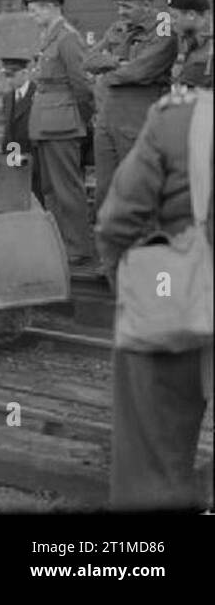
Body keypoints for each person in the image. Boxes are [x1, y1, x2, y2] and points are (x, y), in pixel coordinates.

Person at [96, 88, 212, 510]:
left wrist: (128, 284)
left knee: (151, 455)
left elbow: (117, 221)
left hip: (178, 301)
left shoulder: (179, 119)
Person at [84, 0, 177, 215]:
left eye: (127, 7)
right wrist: (117, 62)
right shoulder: (117, 28)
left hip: (139, 114)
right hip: (109, 116)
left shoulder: (163, 26)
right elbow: (88, 60)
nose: (120, 13)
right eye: (119, 7)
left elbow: (142, 70)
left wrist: (107, 75)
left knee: (137, 186)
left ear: (147, 4)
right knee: (105, 189)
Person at [25, 0, 94, 266]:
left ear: (51, 7)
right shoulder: (49, 38)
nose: (32, 16)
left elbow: (82, 85)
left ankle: (78, 247)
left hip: (62, 123)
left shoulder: (67, 38)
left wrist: (82, 118)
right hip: (46, 123)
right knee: (52, 189)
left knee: (67, 188)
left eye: (35, 10)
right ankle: (62, 245)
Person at [0, 55, 42, 205]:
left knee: (38, 197)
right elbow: (9, 131)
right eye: (6, 76)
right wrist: (10, 160)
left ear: (24, 73)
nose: (8, 80)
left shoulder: (39, 94)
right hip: (15, 156)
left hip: (37, 157)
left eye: (12, 75)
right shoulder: (8, 97)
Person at [167, 0, 212, 90]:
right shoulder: (191, 41)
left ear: (191, 15)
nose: (171, 22)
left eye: (175, 17)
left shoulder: (205, 53)